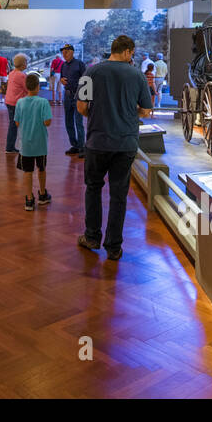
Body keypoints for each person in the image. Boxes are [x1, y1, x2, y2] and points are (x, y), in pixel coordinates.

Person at [76, 34, 153, 262]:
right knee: (119, 195)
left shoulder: (91, 72)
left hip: (97, 141)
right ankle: (114, 247)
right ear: (128, 51)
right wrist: (130, 114)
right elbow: (146, 111)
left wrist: (98, 116)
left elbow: (81, 107)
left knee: (93, 189)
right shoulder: (137, 75)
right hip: (125, 142)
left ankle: (91, 237)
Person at [14, 72, 52, 211]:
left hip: (25, 144)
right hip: (40, 144)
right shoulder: (43, 102)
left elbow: (17, 122)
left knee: (27, 171)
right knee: (41, 169)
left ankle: (29, 199)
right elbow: (47, 122)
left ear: (26, 87)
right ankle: (42, 194)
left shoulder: (20, 102)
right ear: (37, 87)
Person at [58, 44, 87, 155]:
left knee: (78, 122)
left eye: (66, 51)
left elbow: (86, 80)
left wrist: (84, 98)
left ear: (72, 52)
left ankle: (82, 146)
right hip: (67, 96)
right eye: (63, 52)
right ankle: (74, 145)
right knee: (68, 121)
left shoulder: (79, 64)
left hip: (78, 96)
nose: (64, 53)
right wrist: (61, 80)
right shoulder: (63, 65)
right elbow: (61, 78)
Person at [3, 53, 29, 153]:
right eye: (26, 62)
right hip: (16, 103)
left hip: (9, 101)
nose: (27, 64)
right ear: (23, 64)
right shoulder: (22, 75)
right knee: (15, 125)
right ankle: (10, 147)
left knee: (12, 124)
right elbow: (27, 89)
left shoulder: (12, 73)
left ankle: (10, 146)